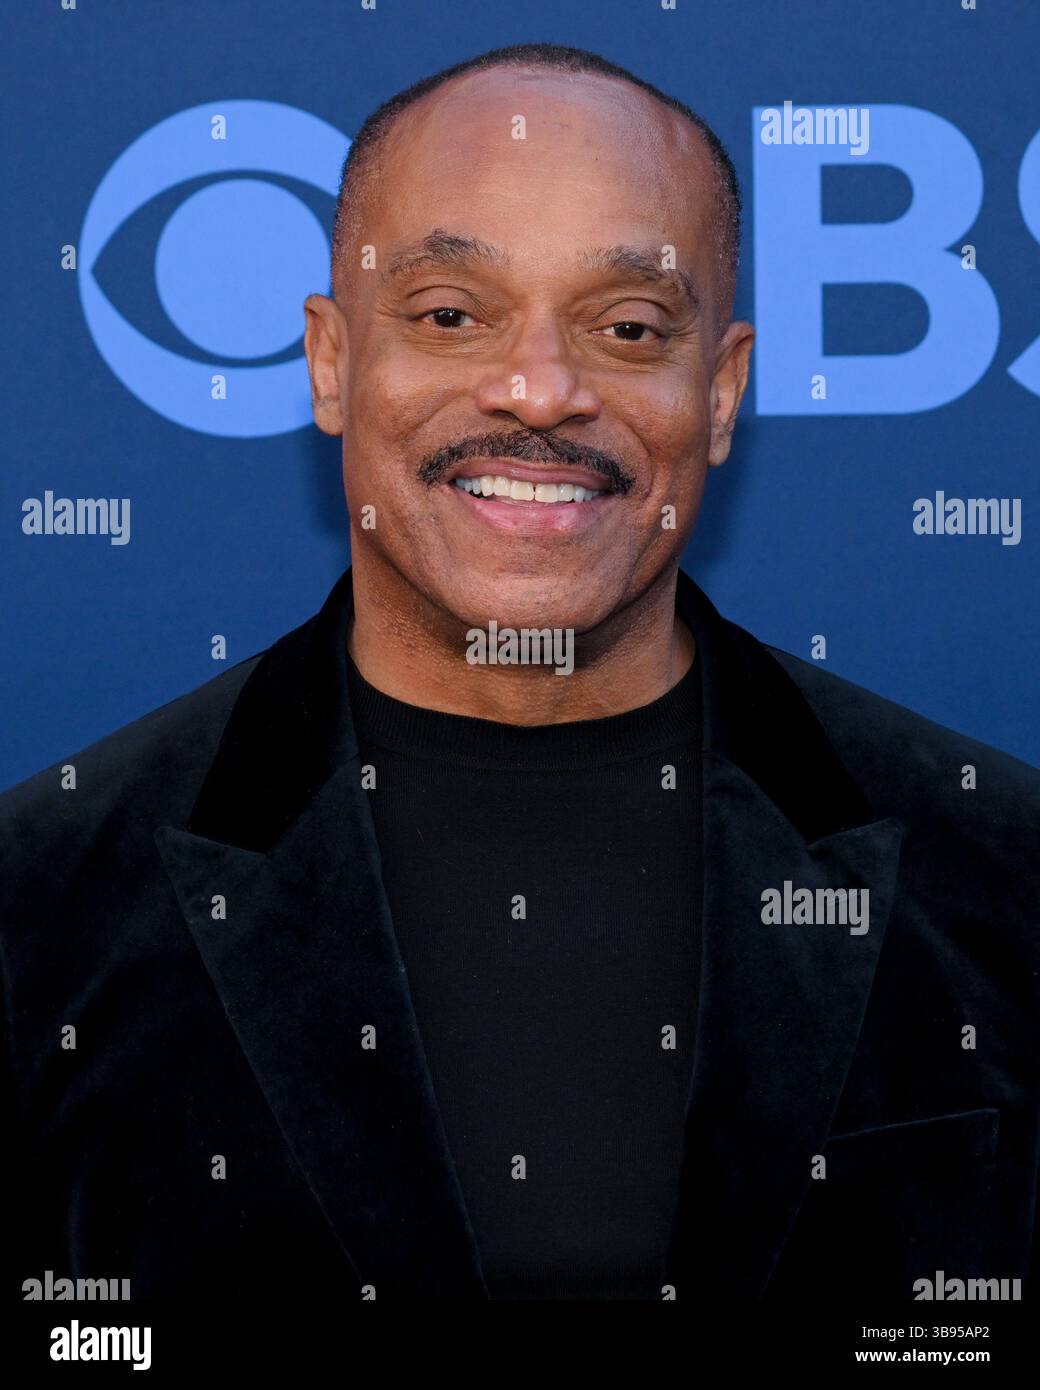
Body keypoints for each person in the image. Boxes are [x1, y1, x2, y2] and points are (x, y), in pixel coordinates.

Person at [2, 44, 1037, 1311]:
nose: (541, 392)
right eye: (448, 315)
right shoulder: (41, 901)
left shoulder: (1000, 878)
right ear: (330, 364)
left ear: (719, 392)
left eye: (628, 328)